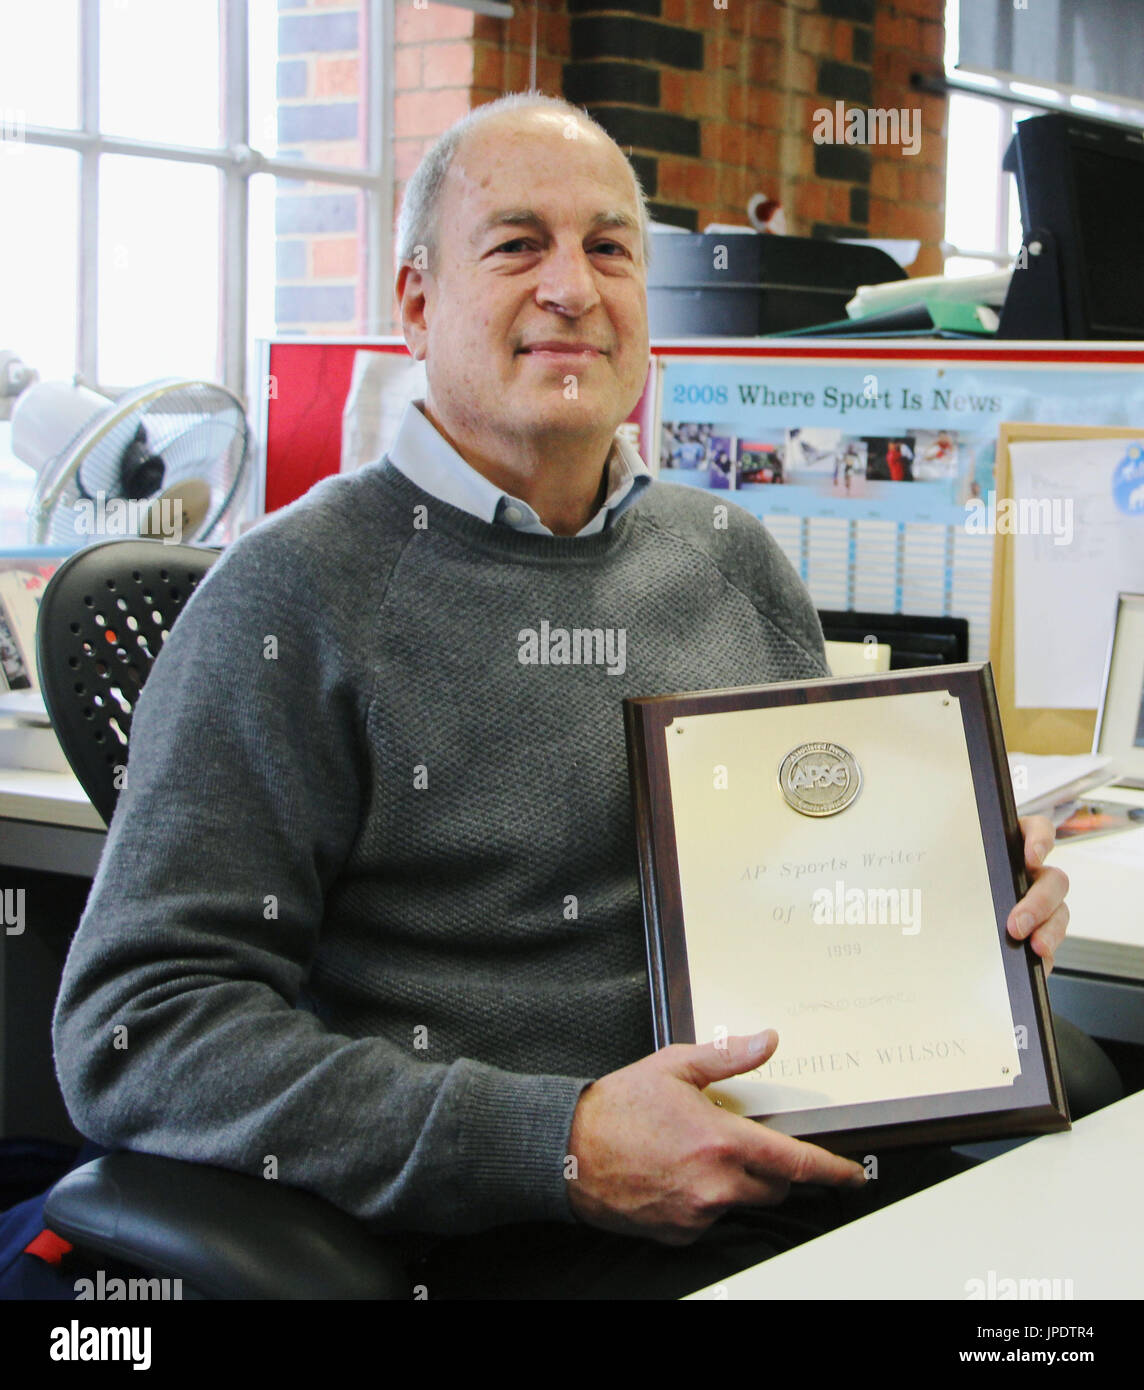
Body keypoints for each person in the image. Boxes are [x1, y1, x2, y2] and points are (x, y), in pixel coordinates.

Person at [51, 92, 1069, 1300]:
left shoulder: (728, 555)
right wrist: (560, 1143)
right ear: (416, 301)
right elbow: (140, 1027)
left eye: (609, 249)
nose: (573, 289)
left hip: (794, 1168)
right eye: (518, 243)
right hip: (514, 1236)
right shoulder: (293, 594)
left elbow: (811, 903)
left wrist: (958, 917)